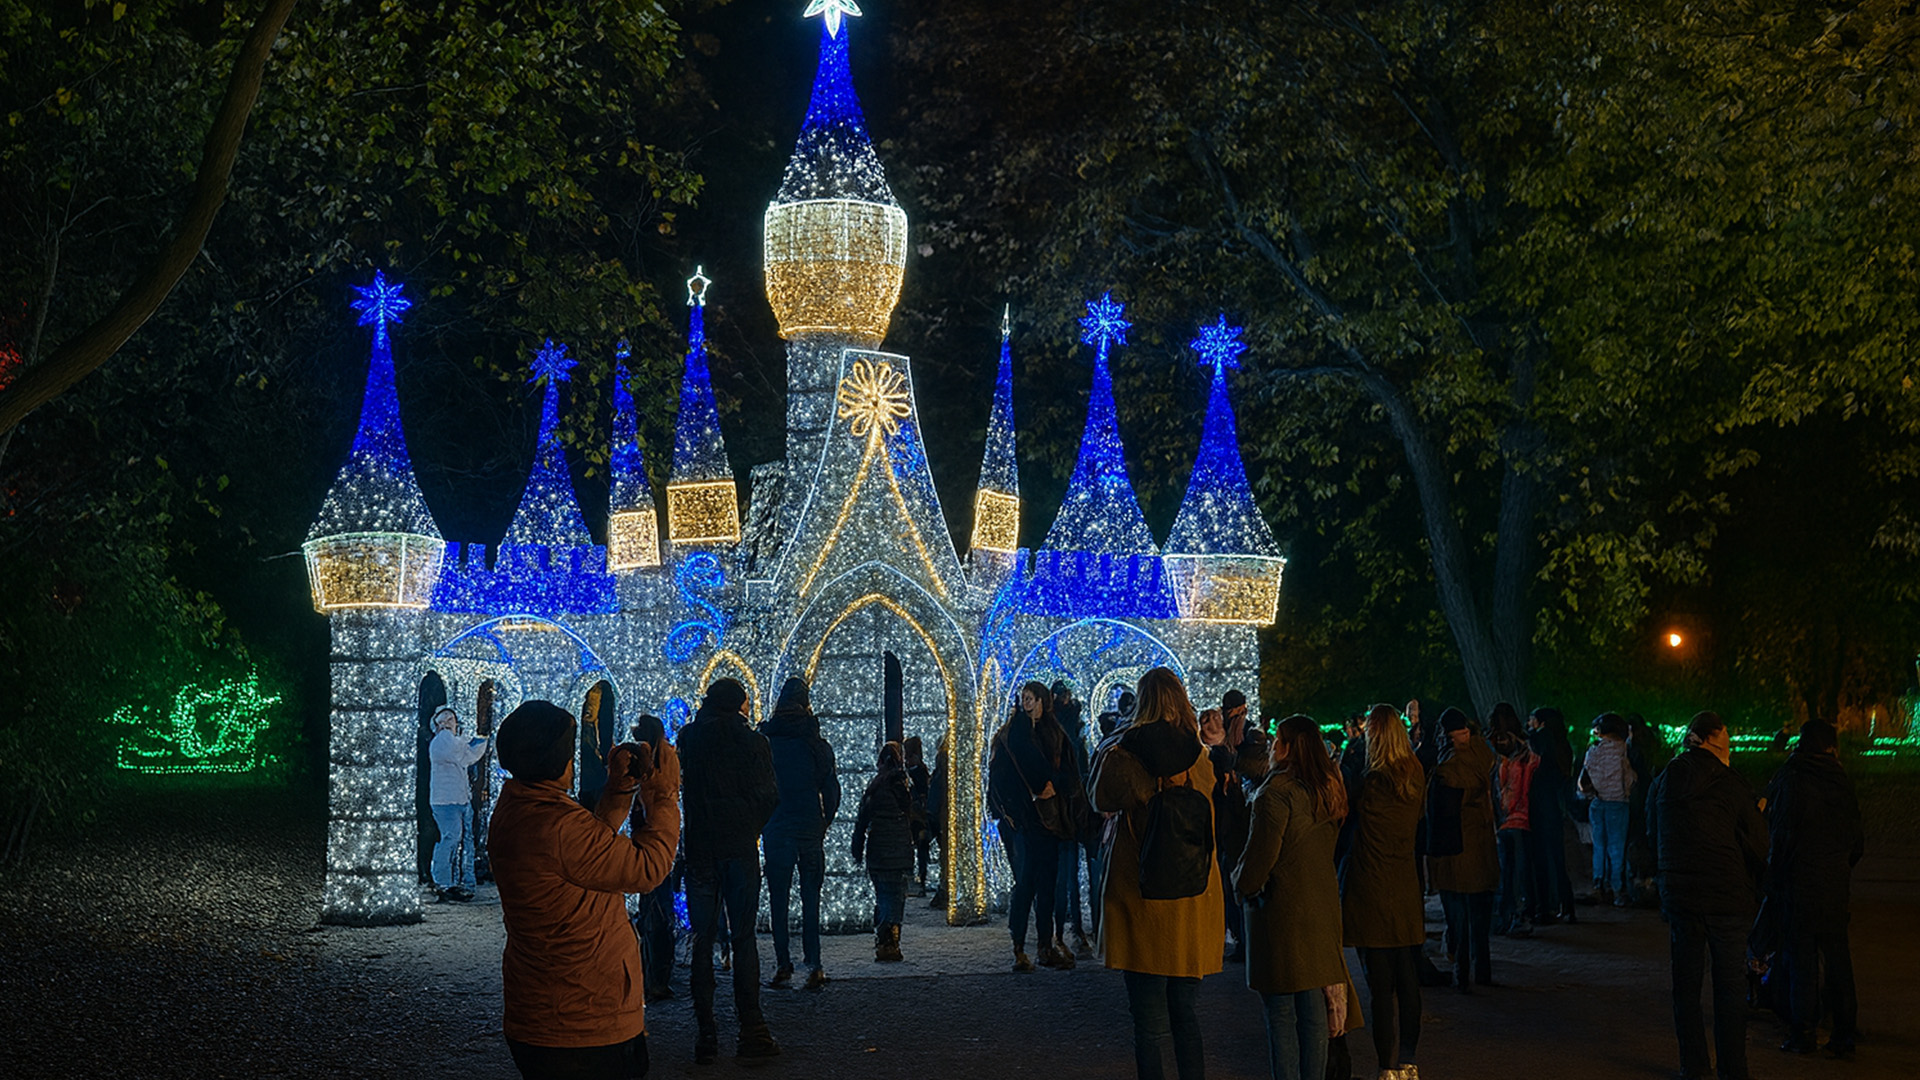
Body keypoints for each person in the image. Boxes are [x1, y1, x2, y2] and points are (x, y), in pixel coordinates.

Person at [489, 699, 679, 1080]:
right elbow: (648, 867)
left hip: (540, 1011)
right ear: (559, 759)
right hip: (584, 1021)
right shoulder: (560, 827)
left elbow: (587, 854)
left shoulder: (517, 809)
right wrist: (663, 795)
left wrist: (619, 791)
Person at [1090, 666, 1223, 1080]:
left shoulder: (1125, 754)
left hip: (1141, 901)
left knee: (1148, 1026)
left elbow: (1098, 797)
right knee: (1186, 1014)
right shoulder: (1199, 759)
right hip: (1191, 899)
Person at [1647, 711, 1768, 1080]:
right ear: (1713, 741)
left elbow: (1652, 833)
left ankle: (1694, 1065)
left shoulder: (1666, 779)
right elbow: (1759, 844)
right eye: (1727, 742)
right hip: (1726, 897)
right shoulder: (1731, 783)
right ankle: (1733, 1069)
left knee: (1685, 985)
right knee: (1729, 987)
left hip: (1681, 896)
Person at [1234, 715, 1349, 1080]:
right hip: (1320, 906)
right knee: (1313, 1010)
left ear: (1288, 748)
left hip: (1282, 912)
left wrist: (1241, 885)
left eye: (1276, 741)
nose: (1271, 747)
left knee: (1282, 1013)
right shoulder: (1328, 789)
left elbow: (1260, 859)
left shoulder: (1275, 793)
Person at [676, 678, 781, 1063]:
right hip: (739, 848)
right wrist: (747, 827)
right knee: (743, 937)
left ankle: (706, 1034)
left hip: (702, 849)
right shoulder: (753, 742)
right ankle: (752, 1028)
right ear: (739, 704)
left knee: (702, 939)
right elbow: (769, 796)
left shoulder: (690, 738)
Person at [1762, 719, 1864, 1057]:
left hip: (1800, 881)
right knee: (1838, 958)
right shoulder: (1841, 780)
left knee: (1801, 958)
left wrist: (1776, 877)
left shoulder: (1791, 778)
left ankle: (1803, 1032)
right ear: (1831, 746)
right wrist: (1839, 866)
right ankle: (1844, 1035)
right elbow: (1857, 840)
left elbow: (1781, 836)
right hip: (1834, 883)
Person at [1341, 703, 1428, 1080]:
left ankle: (1386, 1065)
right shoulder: (1414, 774)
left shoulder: (1371, 782)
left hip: (1372, 886)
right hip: (1404, 883)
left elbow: (1347, 812)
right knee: (1407, 977)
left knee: (1380, 986)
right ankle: (1409, 1059)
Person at [987, 681, 1077, 971]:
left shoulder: (1054, 733)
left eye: (1031, 698)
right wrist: (1018, 807)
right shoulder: (1012, 736)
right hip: (1024, 822)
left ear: (1041, 701)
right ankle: (1019, 946)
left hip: (1049, 819)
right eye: (1023, 698)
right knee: (1026, 882)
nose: (1026, 703)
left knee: (1048, 883)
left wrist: (1054, 785)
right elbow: (1000, 779)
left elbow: (1070, 772)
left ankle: (1045, 945)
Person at [759, 677, 840, 992]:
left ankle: (783, 964)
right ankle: (814, 964)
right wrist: (824, 822)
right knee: (810, 899)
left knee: (779, 899)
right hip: (808, 825)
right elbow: (831, 789)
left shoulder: (766, 742)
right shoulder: (815, 743)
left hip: (777, 825)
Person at [1426, 707, 1498, 991]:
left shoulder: (1449, 769)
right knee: (1479, 915)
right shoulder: (1483, 754)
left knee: (1458, 916)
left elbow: (1440, 810)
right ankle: (1483, 969)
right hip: (1482, 846)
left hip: (1456, 848)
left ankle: (1462, 970)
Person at [627, 715, 680, 1004]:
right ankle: (657, 976)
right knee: (660, 908)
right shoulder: (668, 757)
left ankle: (651, 975)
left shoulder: (647, 758)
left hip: (648, 837)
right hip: (664, 836)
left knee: (653, 909)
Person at [852, 740, 916, 962]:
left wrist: (857, 848)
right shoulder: (901, 786)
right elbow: (911, 814)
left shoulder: (874, 787)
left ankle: (883, 940)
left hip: (878, 850)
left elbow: (862, 820)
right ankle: (890, 942)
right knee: (895, 897)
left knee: (883, 896)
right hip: (898, 850)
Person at [1202, 707, 1251, 963]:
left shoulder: (1211, 757)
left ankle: (1234, 937)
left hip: (1222, 830)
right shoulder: (1231, 751)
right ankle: (1238, 937)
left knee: (1227, 888)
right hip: (1228, 830)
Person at [427, 707, 489, 902]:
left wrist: (478, 741)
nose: (448, 723)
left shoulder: (454, 742)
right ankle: (443, 883)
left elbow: (468, 755)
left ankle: (463, 883)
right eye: (444, 720)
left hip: (461, 799)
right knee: (451, 838)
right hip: (446, 801)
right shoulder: (442, 740)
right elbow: (464, 755)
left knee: (465, 841)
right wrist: (475, 740)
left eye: (451, 719)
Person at [1053, 681, 1095, 957]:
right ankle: (1074, 929)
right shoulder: (1075, 727)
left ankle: (1066, 930)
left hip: (1066, 808)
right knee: (1071, 873)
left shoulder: (1055, 729)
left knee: (1065, 874)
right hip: (1075, 806)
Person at [1525, 707, 1578, 923]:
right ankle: (1566, 906)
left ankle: (1545, 906)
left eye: (1532, 719)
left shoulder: (1540, 741)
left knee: (1541, 858)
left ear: (1541, 722)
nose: (1529, 723)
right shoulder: (1562, 745)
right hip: (1556, 807)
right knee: (1557, 858)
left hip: (1541, 807)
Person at [1578, 713, 1637, 906]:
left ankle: (1599, 884)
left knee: (1599, 846)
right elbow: (1629, 779)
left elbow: (1583, 782)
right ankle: (1617, 889)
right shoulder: (1623, 750)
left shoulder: (1592, 751)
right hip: (1618, 803)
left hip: (1597, 803)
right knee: (1616, 847)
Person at [1490, 728, 1538, 936]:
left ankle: (1510, 917)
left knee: (1509, 873)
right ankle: (1518, 915)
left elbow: (1510, 796)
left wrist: (1501, 812)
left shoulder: (1511, 765)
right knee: (1518, 871)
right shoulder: (1526, 761)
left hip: (1510, 822)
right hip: (1520, 822)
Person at [904, 736, 933, 897]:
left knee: (920, 846)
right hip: (916, 817)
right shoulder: (917, 772)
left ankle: (920, 878)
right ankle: (919, 878)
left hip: (918, 817)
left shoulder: (918, 773)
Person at [928, 734, 950, 910]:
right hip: (944, 815)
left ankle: (944, 890)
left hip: (943, 816)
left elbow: (934, 798)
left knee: (946, 856)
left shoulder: (940, 774)